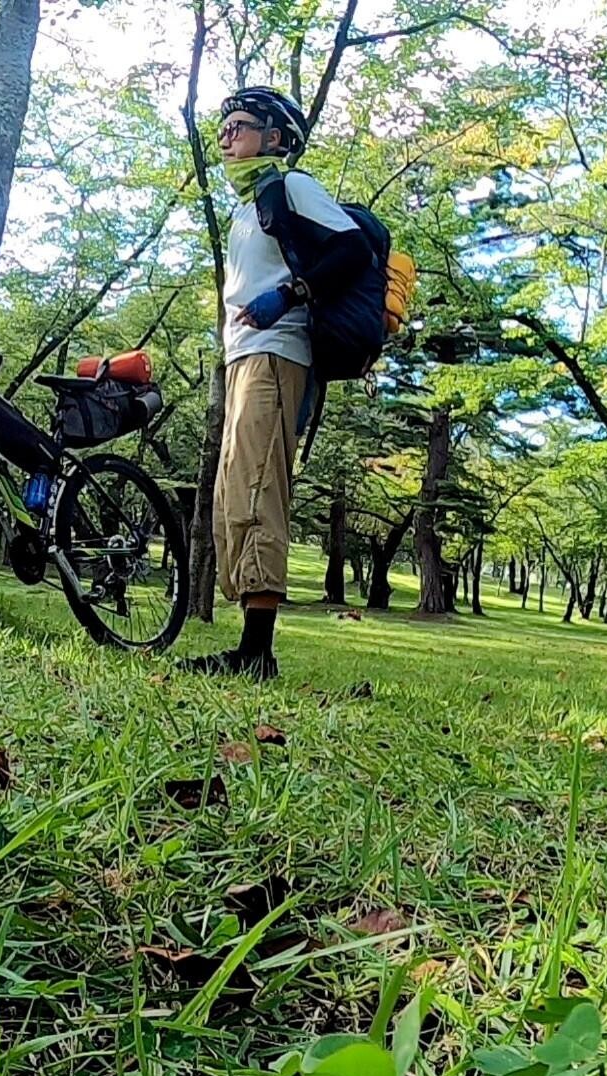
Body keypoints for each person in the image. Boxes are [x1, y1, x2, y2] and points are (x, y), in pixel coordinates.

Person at [179, 86, 372, 681]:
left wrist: (290, 294)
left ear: (275, 137)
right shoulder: (246, 206)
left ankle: (257, 654)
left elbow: (352, 249)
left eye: (239, 126)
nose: (226, 137)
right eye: (223, 129)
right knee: (233, 492)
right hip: (243, 357)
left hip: (277, 352)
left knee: (259, 486)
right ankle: (247, 646)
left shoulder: (291, 186)